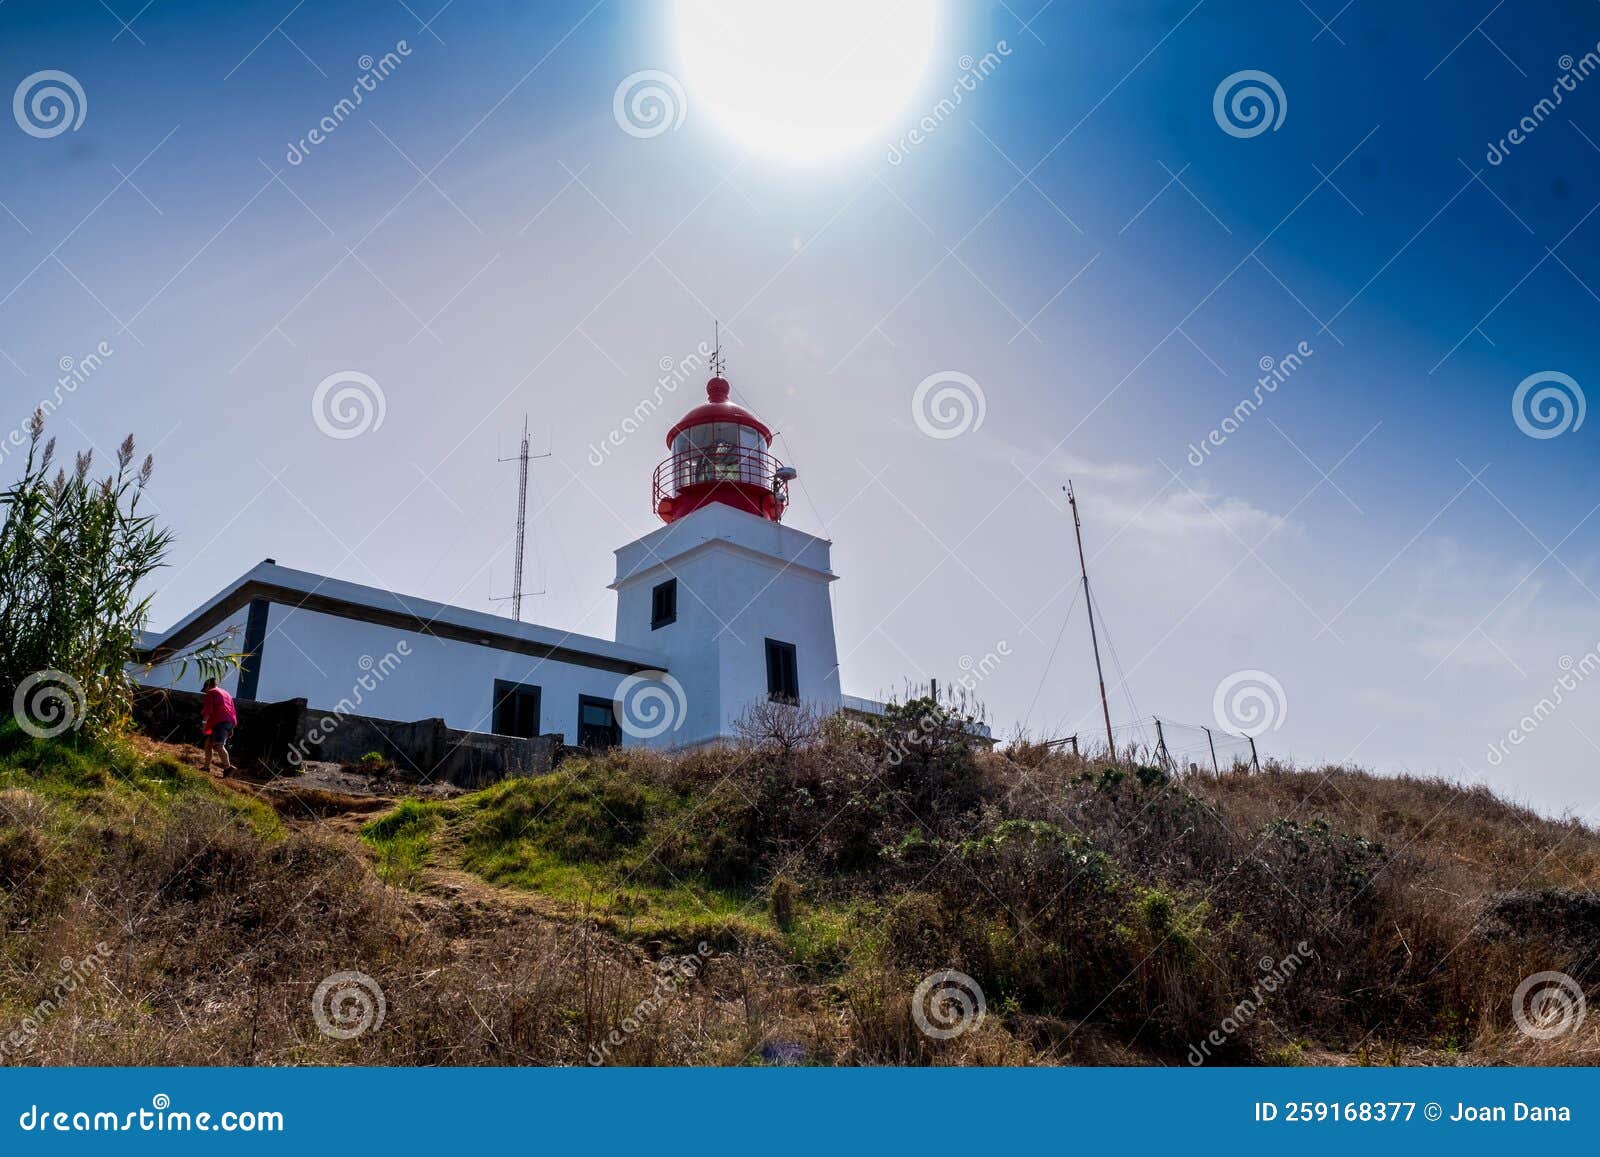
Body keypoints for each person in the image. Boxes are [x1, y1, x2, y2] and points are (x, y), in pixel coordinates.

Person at [200, 677, 237, 776]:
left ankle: (228, 768)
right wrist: (231, 727)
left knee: (218, 746)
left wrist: (203, 725)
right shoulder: (226, 694)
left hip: (220, 722)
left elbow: (208, 711)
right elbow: (231, 710)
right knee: (208, 744)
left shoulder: (211, 692)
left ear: (208, 686)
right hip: (228, 722)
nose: (205, 693)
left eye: (205, 690)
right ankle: (206, 767)